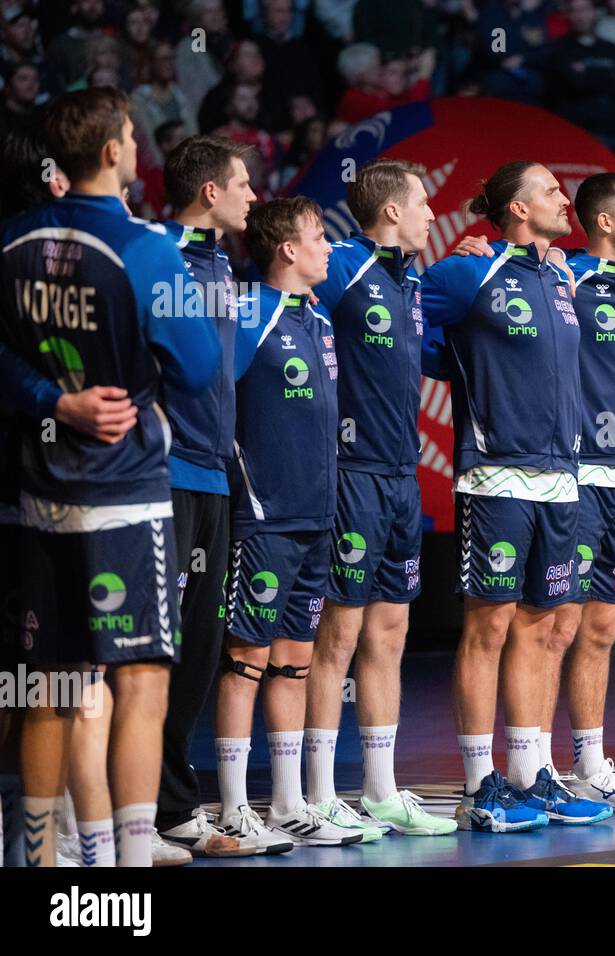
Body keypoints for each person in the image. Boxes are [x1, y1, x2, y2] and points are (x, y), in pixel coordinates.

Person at [0, 87, 220, 865]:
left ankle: (40, 859)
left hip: (33, 498)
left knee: (50, 685)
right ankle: (126, 862)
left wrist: (53, 399)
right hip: (122, 495)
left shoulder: (13, 238)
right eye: (131, 134)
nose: (137, 146)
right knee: (140, 679)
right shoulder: (147, 249)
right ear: (112, 153)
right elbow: (198, 369)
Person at [419, 161, 607, 832]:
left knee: (547, 627)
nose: (567, 198)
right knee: (489, 627)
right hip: (497, 475)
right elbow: (397, 322)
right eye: (553, 191)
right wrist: (462, 364)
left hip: (563, 477)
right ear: (518, 211)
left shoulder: (559, 273)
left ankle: (532, 775)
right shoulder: (472, 271)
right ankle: (480, 787)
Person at [302, 159, 455, 839]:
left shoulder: (412, 278)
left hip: (401, 477)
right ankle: (313, 791)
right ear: (391, 211)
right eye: (422, 204)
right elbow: (282, 288)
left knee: (389, 634)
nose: (431, 215)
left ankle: (381, 791)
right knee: (336, 636)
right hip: (351, 473)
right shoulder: (341, 264)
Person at [214, 196, 359, 849]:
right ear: (287, 250)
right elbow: (214, 400)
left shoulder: (321, 319)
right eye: (319, 237)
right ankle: (233, 807)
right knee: (247, 658)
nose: (329, 248)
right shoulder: (247, 313)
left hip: (316, 516)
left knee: (295, 663)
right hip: (265, 517)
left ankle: (290, 802)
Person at [538, 173, 615, 811]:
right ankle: (536, 766)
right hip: (579, 474)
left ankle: (590, 761)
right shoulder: (567, 279)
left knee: (602, 627)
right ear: (605, 222)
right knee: (557, 625)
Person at [153, 136, 261, 857]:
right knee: (150, 653)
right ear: (211, 193)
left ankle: (175, 809)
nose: (254, 195)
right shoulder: (157, 255)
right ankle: (123, 812)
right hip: (163, 478)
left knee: (198, 651)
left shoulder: (225, 263)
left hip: (216, 477)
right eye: (244, 184)